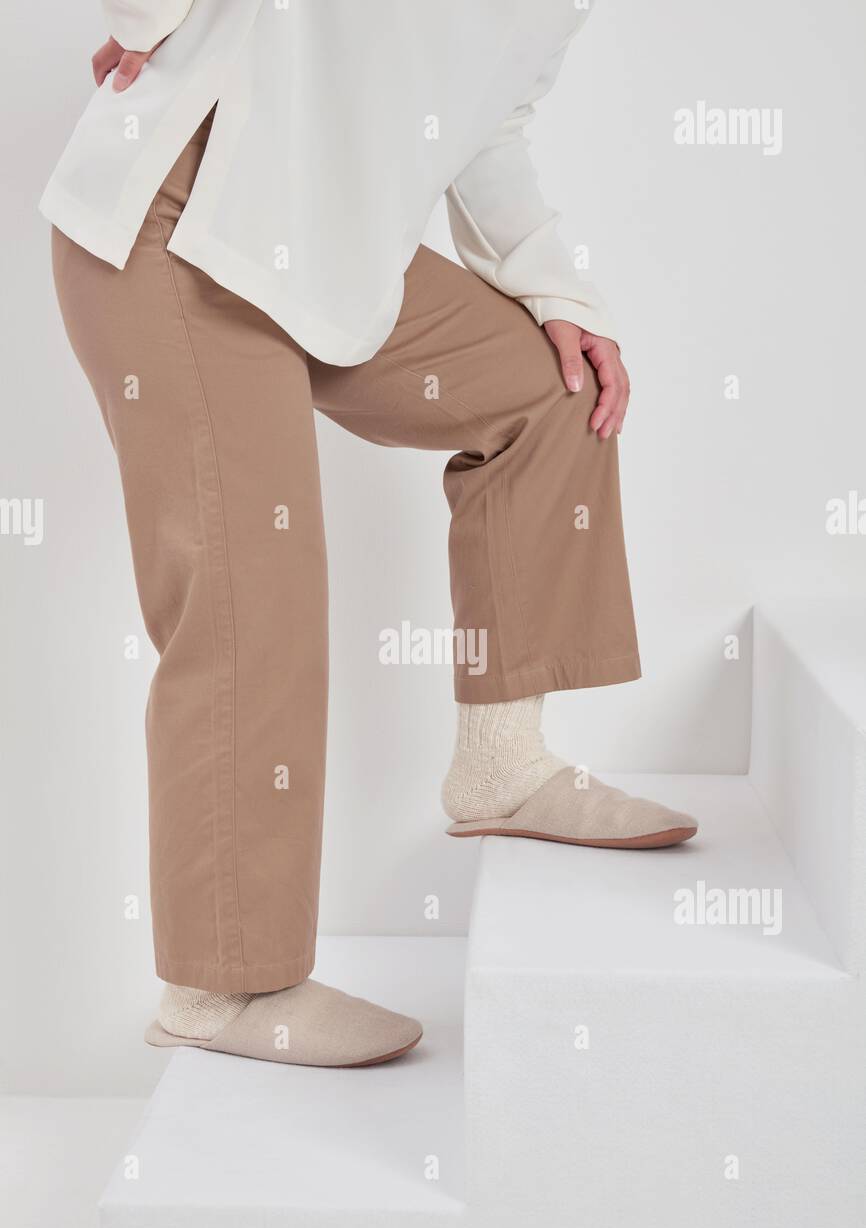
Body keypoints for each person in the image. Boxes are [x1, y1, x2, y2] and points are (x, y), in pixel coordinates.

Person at [40, 0, 697, 1069]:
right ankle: (220, 985)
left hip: (329, 260)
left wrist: (553, 287)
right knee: (254, 593)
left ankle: (501, 765)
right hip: (178, 223)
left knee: (551, 390)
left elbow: (485, 128)